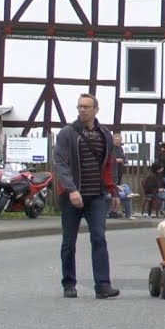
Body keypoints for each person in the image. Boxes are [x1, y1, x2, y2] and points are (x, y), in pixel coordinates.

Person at [53, 93, 121, 299]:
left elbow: (109, 164)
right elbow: (60, 163)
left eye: (86, 107)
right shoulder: (67, 133)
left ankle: (102, 285)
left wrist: (114, 191)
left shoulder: (105, 134)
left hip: (97, 196)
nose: (82, 110)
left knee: (99, 238)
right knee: (69, 242)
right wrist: (71, 189)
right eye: (79, 106)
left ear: (96, 110)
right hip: (71, 196)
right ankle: (69, 284)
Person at [111, 133, 133, 219]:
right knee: (116, 191)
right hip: (113, 172)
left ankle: (122, 212)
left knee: (122, 189)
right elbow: (109, 159)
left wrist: (124, 160)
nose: (117, 142)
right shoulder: (111, 148)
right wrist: (116, 160)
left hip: (119, 171)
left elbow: (123, 157)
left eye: (119, 140)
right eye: (116, 140)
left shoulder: (120, 148)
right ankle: (114, 211)